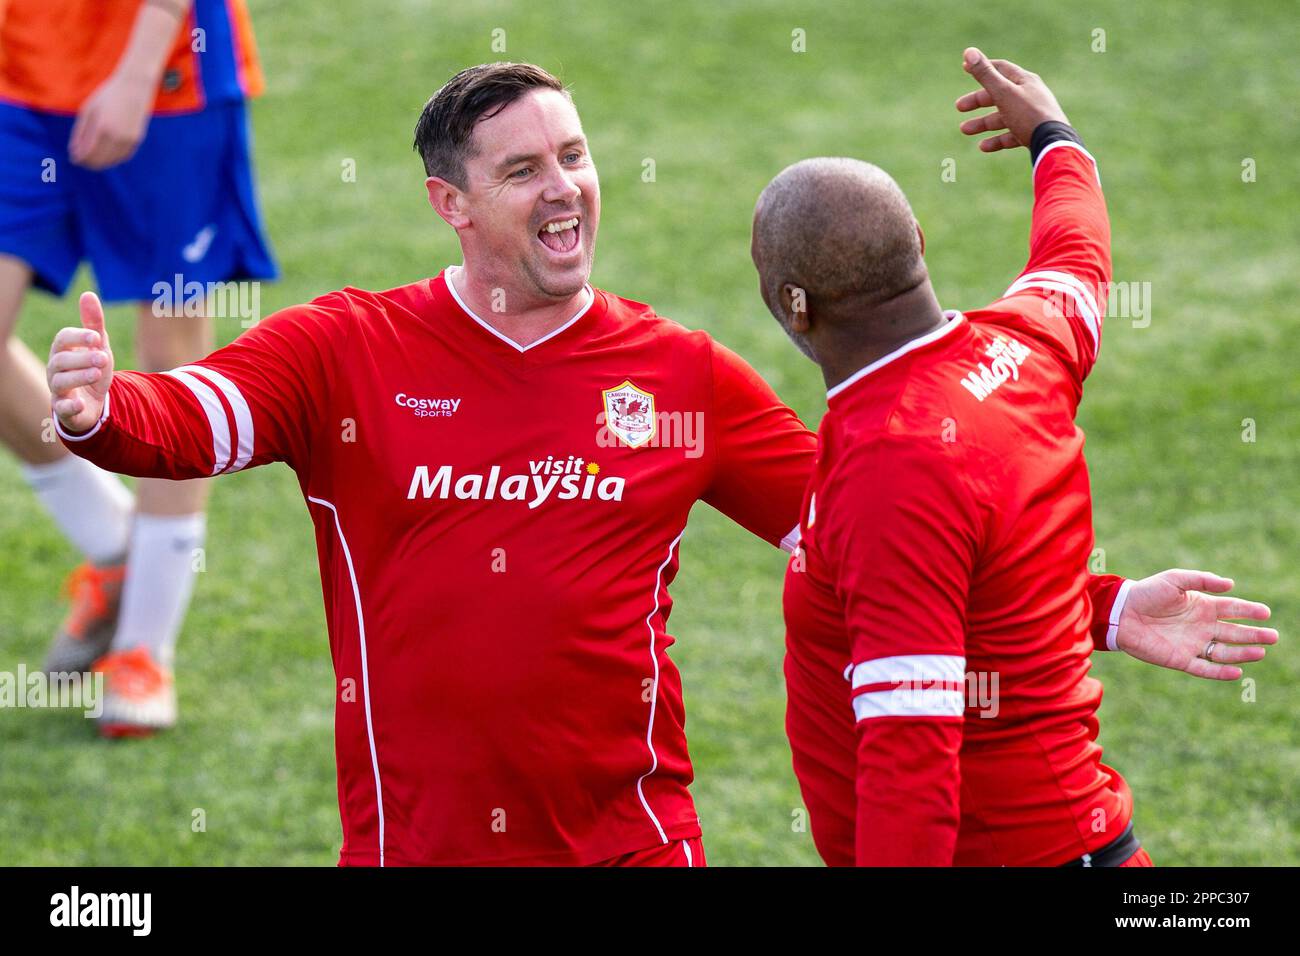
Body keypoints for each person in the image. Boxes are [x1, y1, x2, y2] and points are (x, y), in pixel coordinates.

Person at [44, 61, 1265, 866]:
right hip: (416, 844)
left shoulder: (674, 376)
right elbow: (197, 417)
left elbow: (866, 548)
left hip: (632, 839)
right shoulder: (348, 351)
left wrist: (1093, 608)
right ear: (449, 203)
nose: (566, 188)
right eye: (523, 170)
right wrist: (103, 413)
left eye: (573, 155)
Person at [755, 48, 1278, 866]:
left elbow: (912, 758)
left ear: (793, 303)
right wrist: (1053, 138)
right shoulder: (1025, 345)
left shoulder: (888, 466)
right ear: (918, 241)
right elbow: (1078, 249)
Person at [0, 0, 276, 735]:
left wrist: (134, 71)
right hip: (22, 67)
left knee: (168, 360)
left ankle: (144, 652)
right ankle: (120, 549)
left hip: (165, 75)